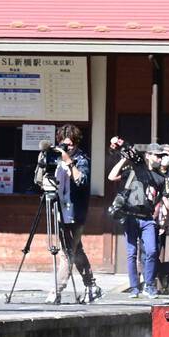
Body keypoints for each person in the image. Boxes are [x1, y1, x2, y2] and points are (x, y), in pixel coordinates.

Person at [49, 124, 102, 304]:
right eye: (64, 145)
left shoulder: (82, 159)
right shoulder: (56, 158)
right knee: (75, 250)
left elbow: (81, 180)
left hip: (76, 212)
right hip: (59, 210)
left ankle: (56, 290)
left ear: (76, 143)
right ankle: (92, 286)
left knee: (67, 252)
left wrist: (68, 161)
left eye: (70, 145)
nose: (67, 148)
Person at [108, 139, 163, 298]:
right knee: (131, 253)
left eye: (160, 156)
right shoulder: (133, 170)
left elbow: (158, 198)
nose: (159, 159)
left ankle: (149, 285)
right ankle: (134, 287)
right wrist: (125, 158)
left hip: (147, 218)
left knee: (152, 251)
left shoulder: (158, 177)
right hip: (131, 217)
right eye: (156, 155)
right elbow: (112, 177)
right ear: (148, 156)